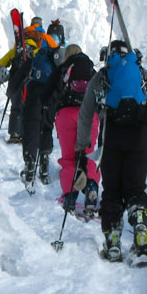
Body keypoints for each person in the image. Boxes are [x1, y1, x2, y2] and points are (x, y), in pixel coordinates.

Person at [75, 39, 147, 266]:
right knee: (135, 187)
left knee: (111, 191)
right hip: (139, 136)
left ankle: (112, 240)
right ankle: (140, 227)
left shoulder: (101, 77)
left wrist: (82, 147)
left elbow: (85, 114)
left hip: (110, 138)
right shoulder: (141, 73)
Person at [46, 44, 100, 216]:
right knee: (89, 154)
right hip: (89, 114)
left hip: (66, 115)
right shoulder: (91, 69)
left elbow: (50, 94)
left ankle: (69, 196)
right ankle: (91, 188)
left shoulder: (63, 69)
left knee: (69, 157)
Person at [20, 20, 63, 187]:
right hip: (52, 93)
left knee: (31, 125)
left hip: (35, 90)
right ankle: (44, 164)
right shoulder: (60, 52)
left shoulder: (40, 49)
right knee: (47, 126)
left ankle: (29, 165)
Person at [0, 38, 39, 143]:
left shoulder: (15, 51)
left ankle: (14, 134)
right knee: (29, 109)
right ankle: (26, 135)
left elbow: (0, 64)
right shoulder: (37, 51)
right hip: (29, 84)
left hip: (14, 84)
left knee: (16, 108)